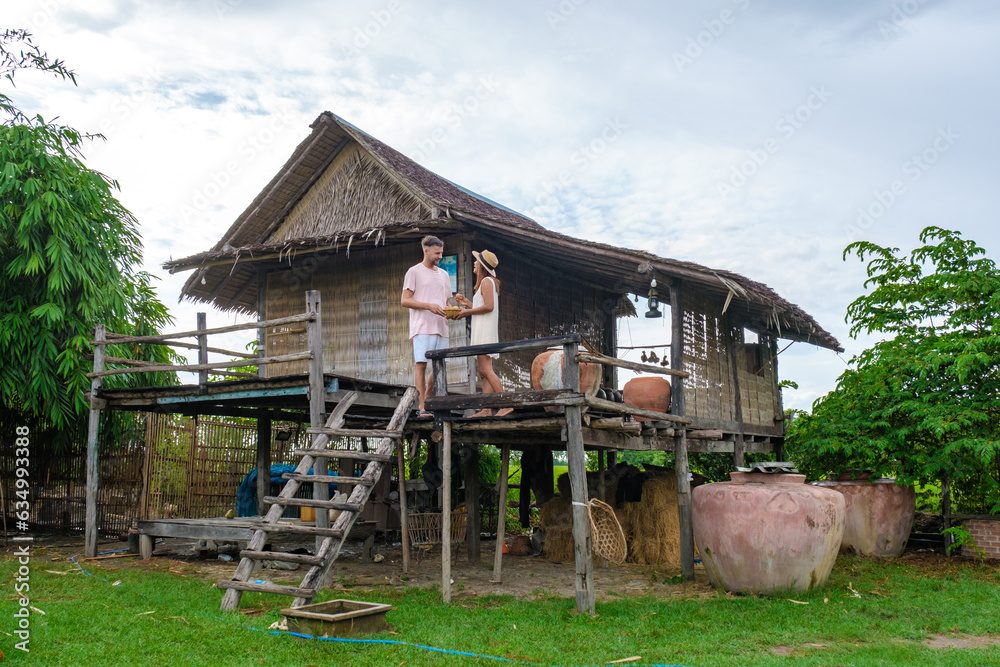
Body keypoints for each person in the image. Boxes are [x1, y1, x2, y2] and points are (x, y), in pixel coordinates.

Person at [452, 249, 512, 418]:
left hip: (485, 331)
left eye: (477, 261)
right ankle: (486, 409)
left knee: (486, 370)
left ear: (482, 266)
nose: (474, 262)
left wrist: (465, 312)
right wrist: (467, 303)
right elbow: (484, 308)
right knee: (484, 371)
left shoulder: (486, 281)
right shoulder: (489, 281)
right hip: (484, 329)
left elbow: (489, 307)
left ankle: (507, 404)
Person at [401, 235, 451, 416]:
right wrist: (428, 306)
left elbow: (445, 301)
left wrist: (453, 311)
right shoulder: (413, 272)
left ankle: (428, 398)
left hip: (441, 325)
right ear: (426, 251)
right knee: (421, 364)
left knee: (441, 365)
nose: (440, 257)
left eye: (441, 253)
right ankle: (421, 406)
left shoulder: (444, 275)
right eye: (437, 253)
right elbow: (405, 301)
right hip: (422, 325)